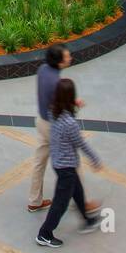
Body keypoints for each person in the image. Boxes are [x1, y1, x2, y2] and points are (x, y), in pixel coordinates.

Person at [27, 45, 100, 215]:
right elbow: (59, 107)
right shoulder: (56, 82)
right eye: (67, 57)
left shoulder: (43, 69)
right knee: (72, 163)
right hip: (53, 127)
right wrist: (75, 104)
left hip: (41, 121)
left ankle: (34, 200)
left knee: (39, 162)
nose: (70, 58)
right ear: (59, 62)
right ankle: (81, 203)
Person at [35, 78, 102, 248]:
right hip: (67, 167)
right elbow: (81, 143)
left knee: (77, 191)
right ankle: (44, 234)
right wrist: (95, 159)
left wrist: (74, 105)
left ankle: (87, 220)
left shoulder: (53, 111)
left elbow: (66, 113)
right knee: (60, 203)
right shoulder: (70, 123)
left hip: (58, 162)